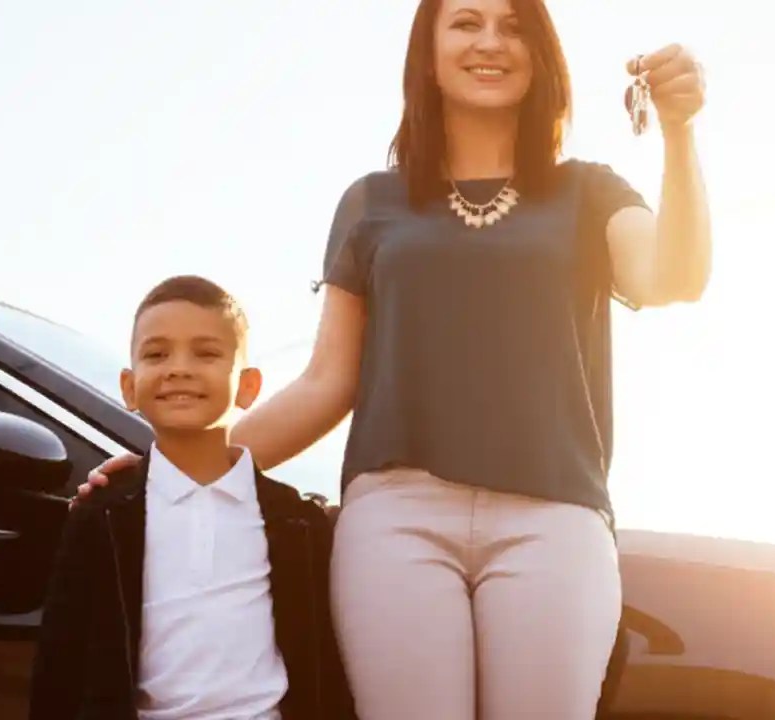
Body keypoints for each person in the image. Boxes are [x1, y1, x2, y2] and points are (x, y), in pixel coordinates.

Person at [77, 0, 711, 716]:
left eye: (513, 26)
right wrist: (180, 464)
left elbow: (675, 277)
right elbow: (327, 382)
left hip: (555, 516)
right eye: (466, 22)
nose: (491, 42)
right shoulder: (373, 203)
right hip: (397, 517)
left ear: (541, 55)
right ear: (429, 54)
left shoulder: (589, 193)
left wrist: (679, 134)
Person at [31, 275, 352, 720]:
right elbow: (61, 668)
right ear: (129, 386)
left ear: (248, 387)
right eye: (156, 354)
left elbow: (327, 669)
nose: (178, 368)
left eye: (206, 353)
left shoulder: (296, 521)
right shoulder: (102, 515)